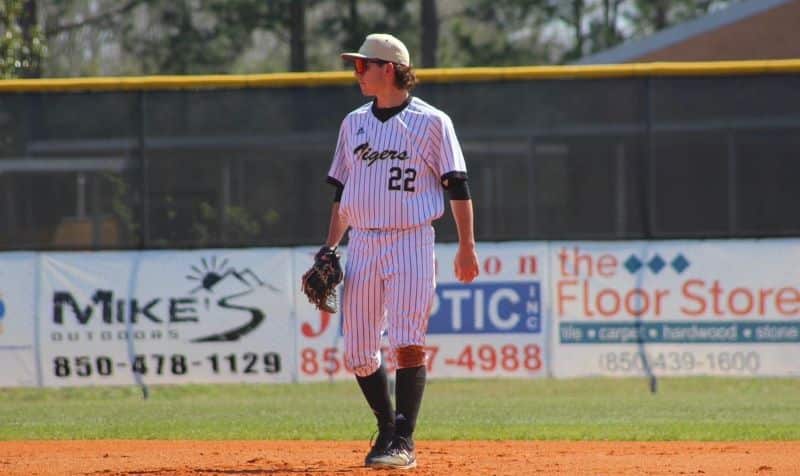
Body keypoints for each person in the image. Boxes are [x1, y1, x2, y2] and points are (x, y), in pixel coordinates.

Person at [320, 33, 479, 470]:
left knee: (408, 340)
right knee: (358, 351)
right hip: (364, 242)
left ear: (387, 68)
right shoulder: (353, 123)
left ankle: (403, 440)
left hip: (412, 239)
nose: (357, 73)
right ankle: (387, 429)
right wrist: (330, 247)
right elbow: (340, 192)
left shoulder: (432, 122)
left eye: (362, 65)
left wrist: (466, 246)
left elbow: (457, 186)